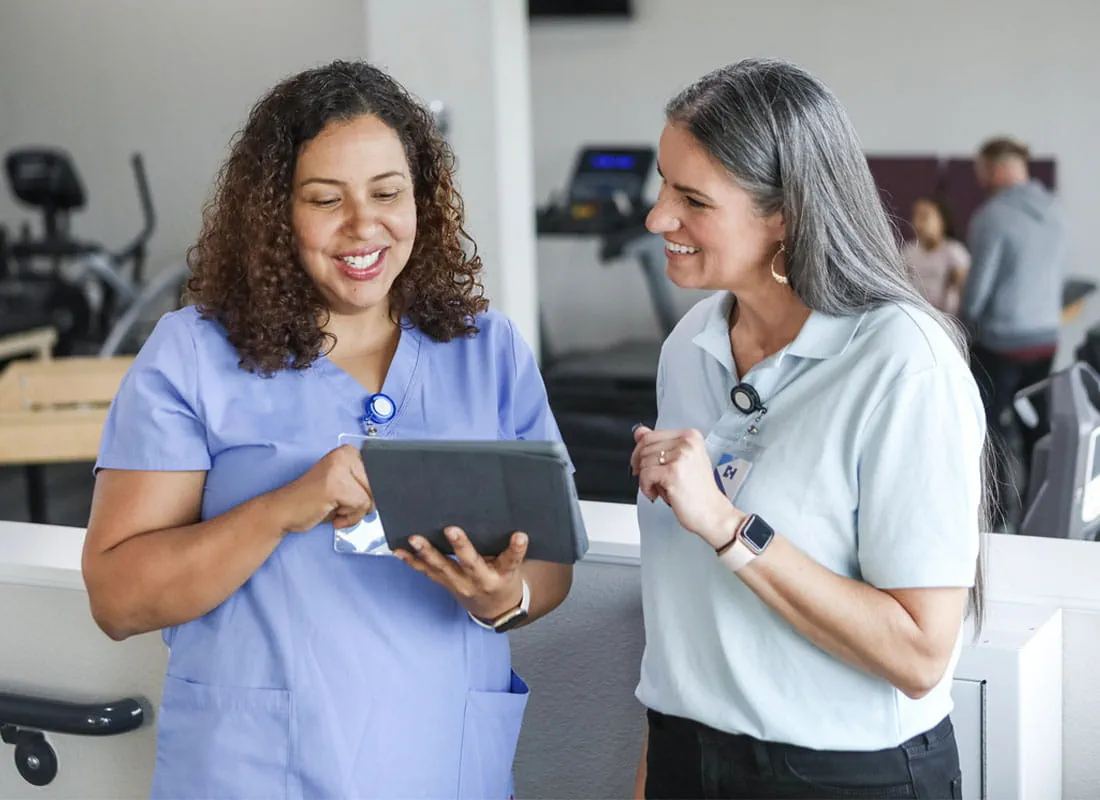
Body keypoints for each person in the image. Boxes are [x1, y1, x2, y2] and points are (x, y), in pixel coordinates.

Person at [81, 60, 575, 799]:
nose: (363, 226)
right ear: (276, 212)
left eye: (387, 193)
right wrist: (283, 508)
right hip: (255, 771)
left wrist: (502, 599)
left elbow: (550, 563)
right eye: (325, 199)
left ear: (423, 200)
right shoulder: (193, 354)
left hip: (442, 766)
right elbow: (118, 600)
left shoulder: (488, 350)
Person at [628, 58, 987, 800]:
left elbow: (920, 652)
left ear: (785, 213)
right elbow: (689, 618)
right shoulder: (691, 342)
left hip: (841, 775)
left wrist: (730, 527)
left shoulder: (902, 362)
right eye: (663, 184)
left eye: (692, 199)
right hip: (687, 755)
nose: (658, 217)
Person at [961, 136, 1067, 527]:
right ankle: (1036, 506)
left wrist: (961, 324)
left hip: (1001, 342)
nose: (982, 179)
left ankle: (995, 508)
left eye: (983, 171)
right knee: (1034, 422)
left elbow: (977, 292)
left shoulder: (993, 215)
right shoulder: (1055, 210)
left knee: (985, 422)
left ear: (999, 169)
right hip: (1045, 339)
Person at [902, 196, 970, 316]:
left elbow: (965, 291)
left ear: (942, 220)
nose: (918, 223)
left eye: (924, 217)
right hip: (917, 314)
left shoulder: (954, 252)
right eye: (915, 216)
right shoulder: (908, 251)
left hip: (946, 318)